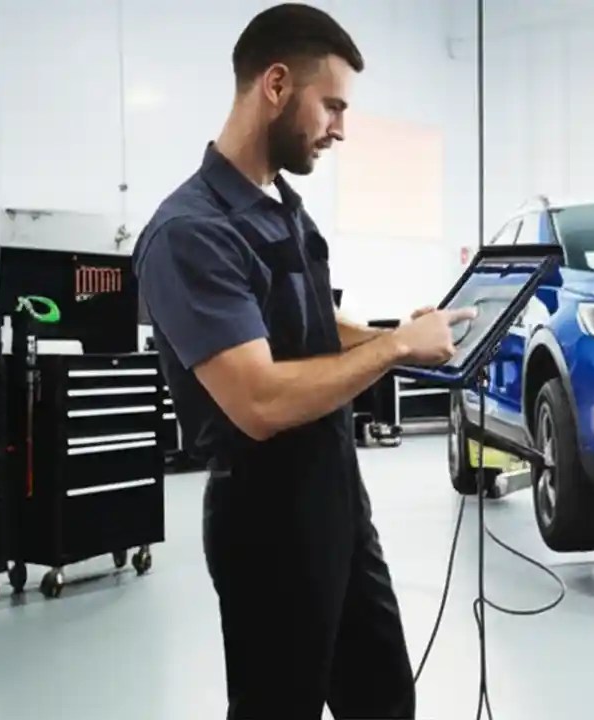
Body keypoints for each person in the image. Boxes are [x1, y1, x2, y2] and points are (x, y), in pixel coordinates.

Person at [131, 4, 472, 718]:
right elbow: (260, 401)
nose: (340, 129)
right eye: (333, 106)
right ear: (277, 85)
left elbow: (307, 321)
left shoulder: (282, 205)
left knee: (384, 699)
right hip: (266, 519)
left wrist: (394, 334)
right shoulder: (191, 232)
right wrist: (395, 350)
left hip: (338, 497)